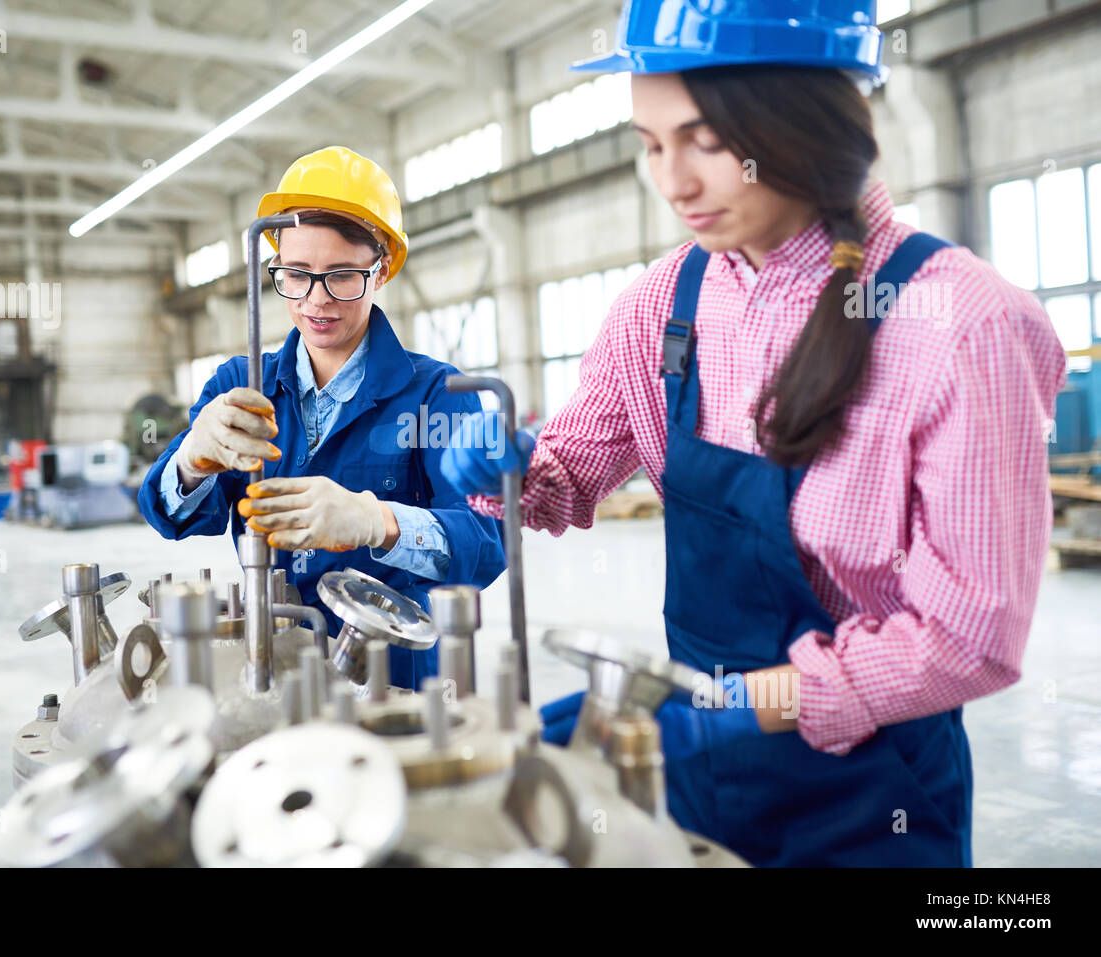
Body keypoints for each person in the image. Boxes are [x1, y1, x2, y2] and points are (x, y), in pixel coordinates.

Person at [440, 0, 1066, 866]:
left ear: (799, 118)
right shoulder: (661, 308)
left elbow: (969, 638)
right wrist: (505, 469)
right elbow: (562, 480)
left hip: (871, 799)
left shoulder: (960, 325)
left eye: (703, 140)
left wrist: (734, 705)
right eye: (650, 143)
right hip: (697, 781)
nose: (673, 182)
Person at [139, 145, 506, 689]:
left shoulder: (440, 393)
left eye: (342, 276)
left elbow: (485, 544)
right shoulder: (240, 386)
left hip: (397, 674)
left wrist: (378, 521)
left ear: (379, 271)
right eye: (296, 274)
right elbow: (172, 515)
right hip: (273, 658)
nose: (316, 299)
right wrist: (193, 460)